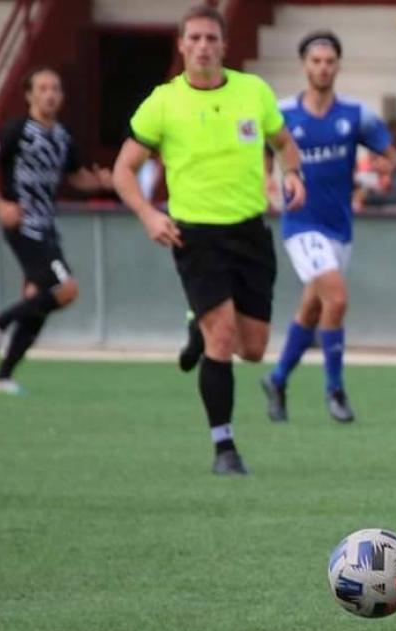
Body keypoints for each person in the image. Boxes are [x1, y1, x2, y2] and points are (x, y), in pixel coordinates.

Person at [113, 4, 306, 475]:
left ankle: (193, 321)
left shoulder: (253, 92)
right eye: (193, 38)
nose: (202, 46)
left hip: (249, 232)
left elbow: (283, 143)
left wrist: (294, 175)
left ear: (223, 45)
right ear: (181, 44)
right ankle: (224, 448)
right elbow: (123, 170)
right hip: (194, 234)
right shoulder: (162, 102)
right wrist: (147, 215)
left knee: (254, 348)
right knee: (221, 338)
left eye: (210, 39)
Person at [260, 31, 396, 425]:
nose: (322, 67)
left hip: (339, 224)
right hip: (301, 224)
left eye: (329, 61)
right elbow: (262, 152)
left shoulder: (356, 115)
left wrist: (379, 173)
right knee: (336, 299)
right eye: (315, 61)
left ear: (338, 65)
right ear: (304, 66)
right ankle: (334, 390)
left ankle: (277, 378)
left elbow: (389, 155)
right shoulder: (282, 112)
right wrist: (268, 180)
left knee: (314, 304)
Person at [0, 67, 113, 395]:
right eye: (43, 88)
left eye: (55, 89)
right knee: (66, 289)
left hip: (47, 227)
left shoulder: (62, 136)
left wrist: (101, 183)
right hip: (24, 225)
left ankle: (2, 377)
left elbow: (76, 177)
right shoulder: (16, 130)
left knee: (39, 302)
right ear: (30, 95)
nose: (49, 94)